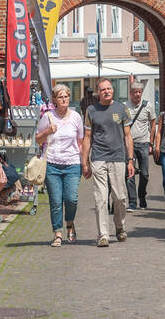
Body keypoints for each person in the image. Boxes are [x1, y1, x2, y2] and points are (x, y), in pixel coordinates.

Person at [81, 78, 134, 246]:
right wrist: (85, 162)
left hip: (118, 158)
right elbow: (87, 138)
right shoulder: (91, 110)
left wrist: (130, 160)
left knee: (120, 197)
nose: (106, 91)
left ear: (113, 90)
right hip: (98, 158)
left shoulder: (122, 108)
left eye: (109, 88)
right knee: (101, 198)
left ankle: (120, 226)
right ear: (98, 92)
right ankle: (103, 234)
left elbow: (127, 136)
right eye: (103, 89)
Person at [35, 84, 84, 247]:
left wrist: (84, 162)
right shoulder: (47, 117)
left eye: (66, 97)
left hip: (72, 164)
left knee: (71, 199)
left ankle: (69, 223)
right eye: (60, 97)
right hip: (52, 164)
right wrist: (48, 131)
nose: (64, 100)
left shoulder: (76, 117)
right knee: (56, 201)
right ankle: (57, 233)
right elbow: (38, 139)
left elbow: (80, 141)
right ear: (55, 100)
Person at [126, 81, 156, 209]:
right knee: (129, 174)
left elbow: (153, 123)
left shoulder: (148, 106)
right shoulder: (124, 107)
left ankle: (142, 195)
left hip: (143, 143)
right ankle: (132, 202)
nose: (138, 94)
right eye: (135, 92)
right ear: (131, 93)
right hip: (129, 145)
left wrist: (151, 142)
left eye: (139, 92)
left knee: (145, 174)